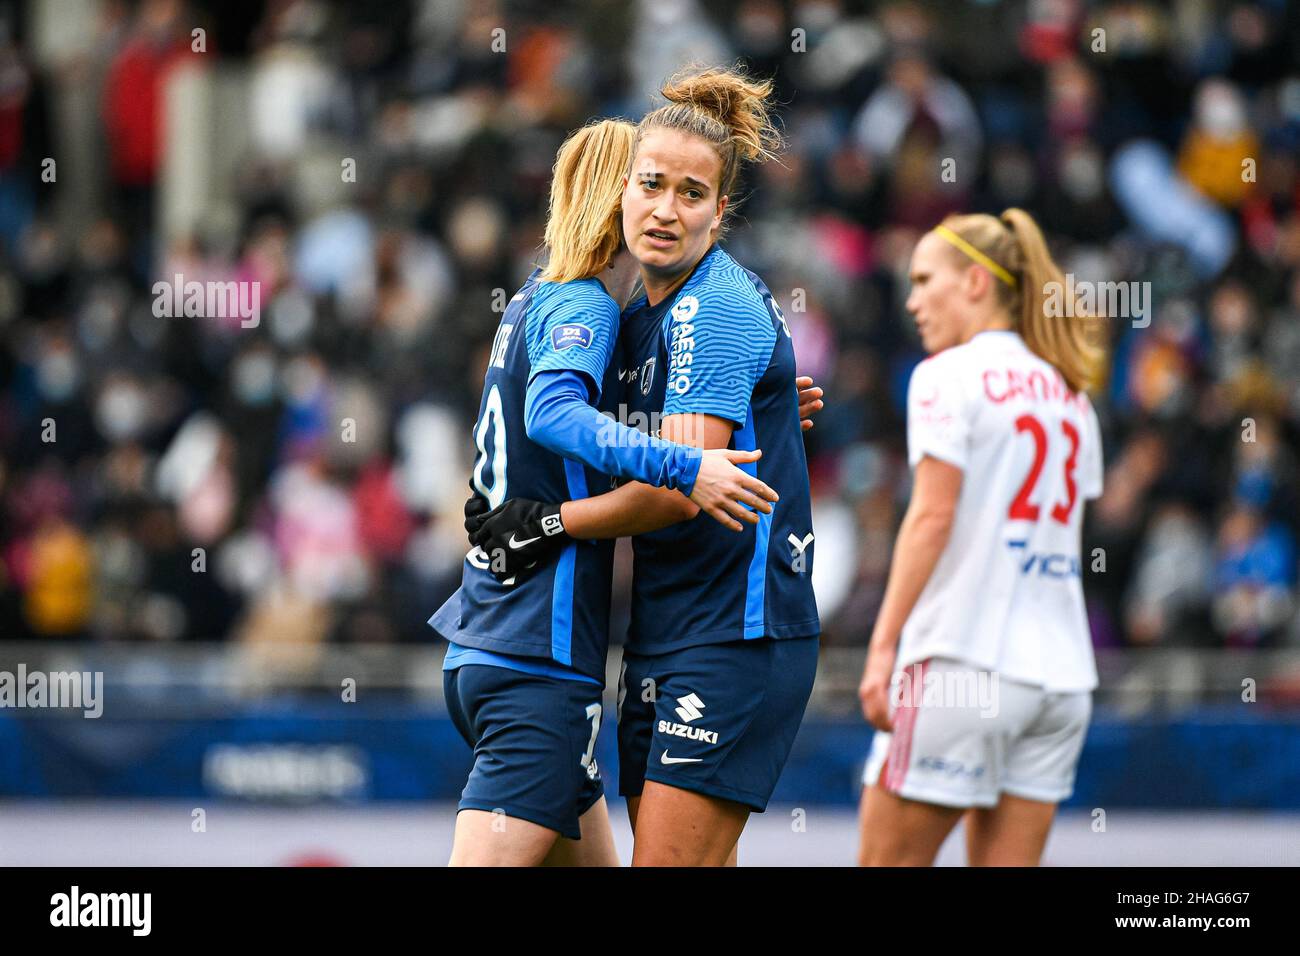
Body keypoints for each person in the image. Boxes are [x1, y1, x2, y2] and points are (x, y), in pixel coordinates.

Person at [473, 66, 821, 867]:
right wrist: (765, 403)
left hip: (736, 628)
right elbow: (672, 437)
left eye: (691, 194)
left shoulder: (711, 305)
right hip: (668, 627)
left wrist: (548, 525)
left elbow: (682, 493)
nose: (666, 210)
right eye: (652, 184)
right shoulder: (635, 309)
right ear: (621, 188)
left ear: (719, 212)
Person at [856, 209, 1106, 866]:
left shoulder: (946, 375)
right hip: (1061, 680)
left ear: (973, 283)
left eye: (923, 278)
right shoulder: (1071, 393)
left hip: (961, 663)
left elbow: (932, 518)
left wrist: (882, 649)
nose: (911, 300)